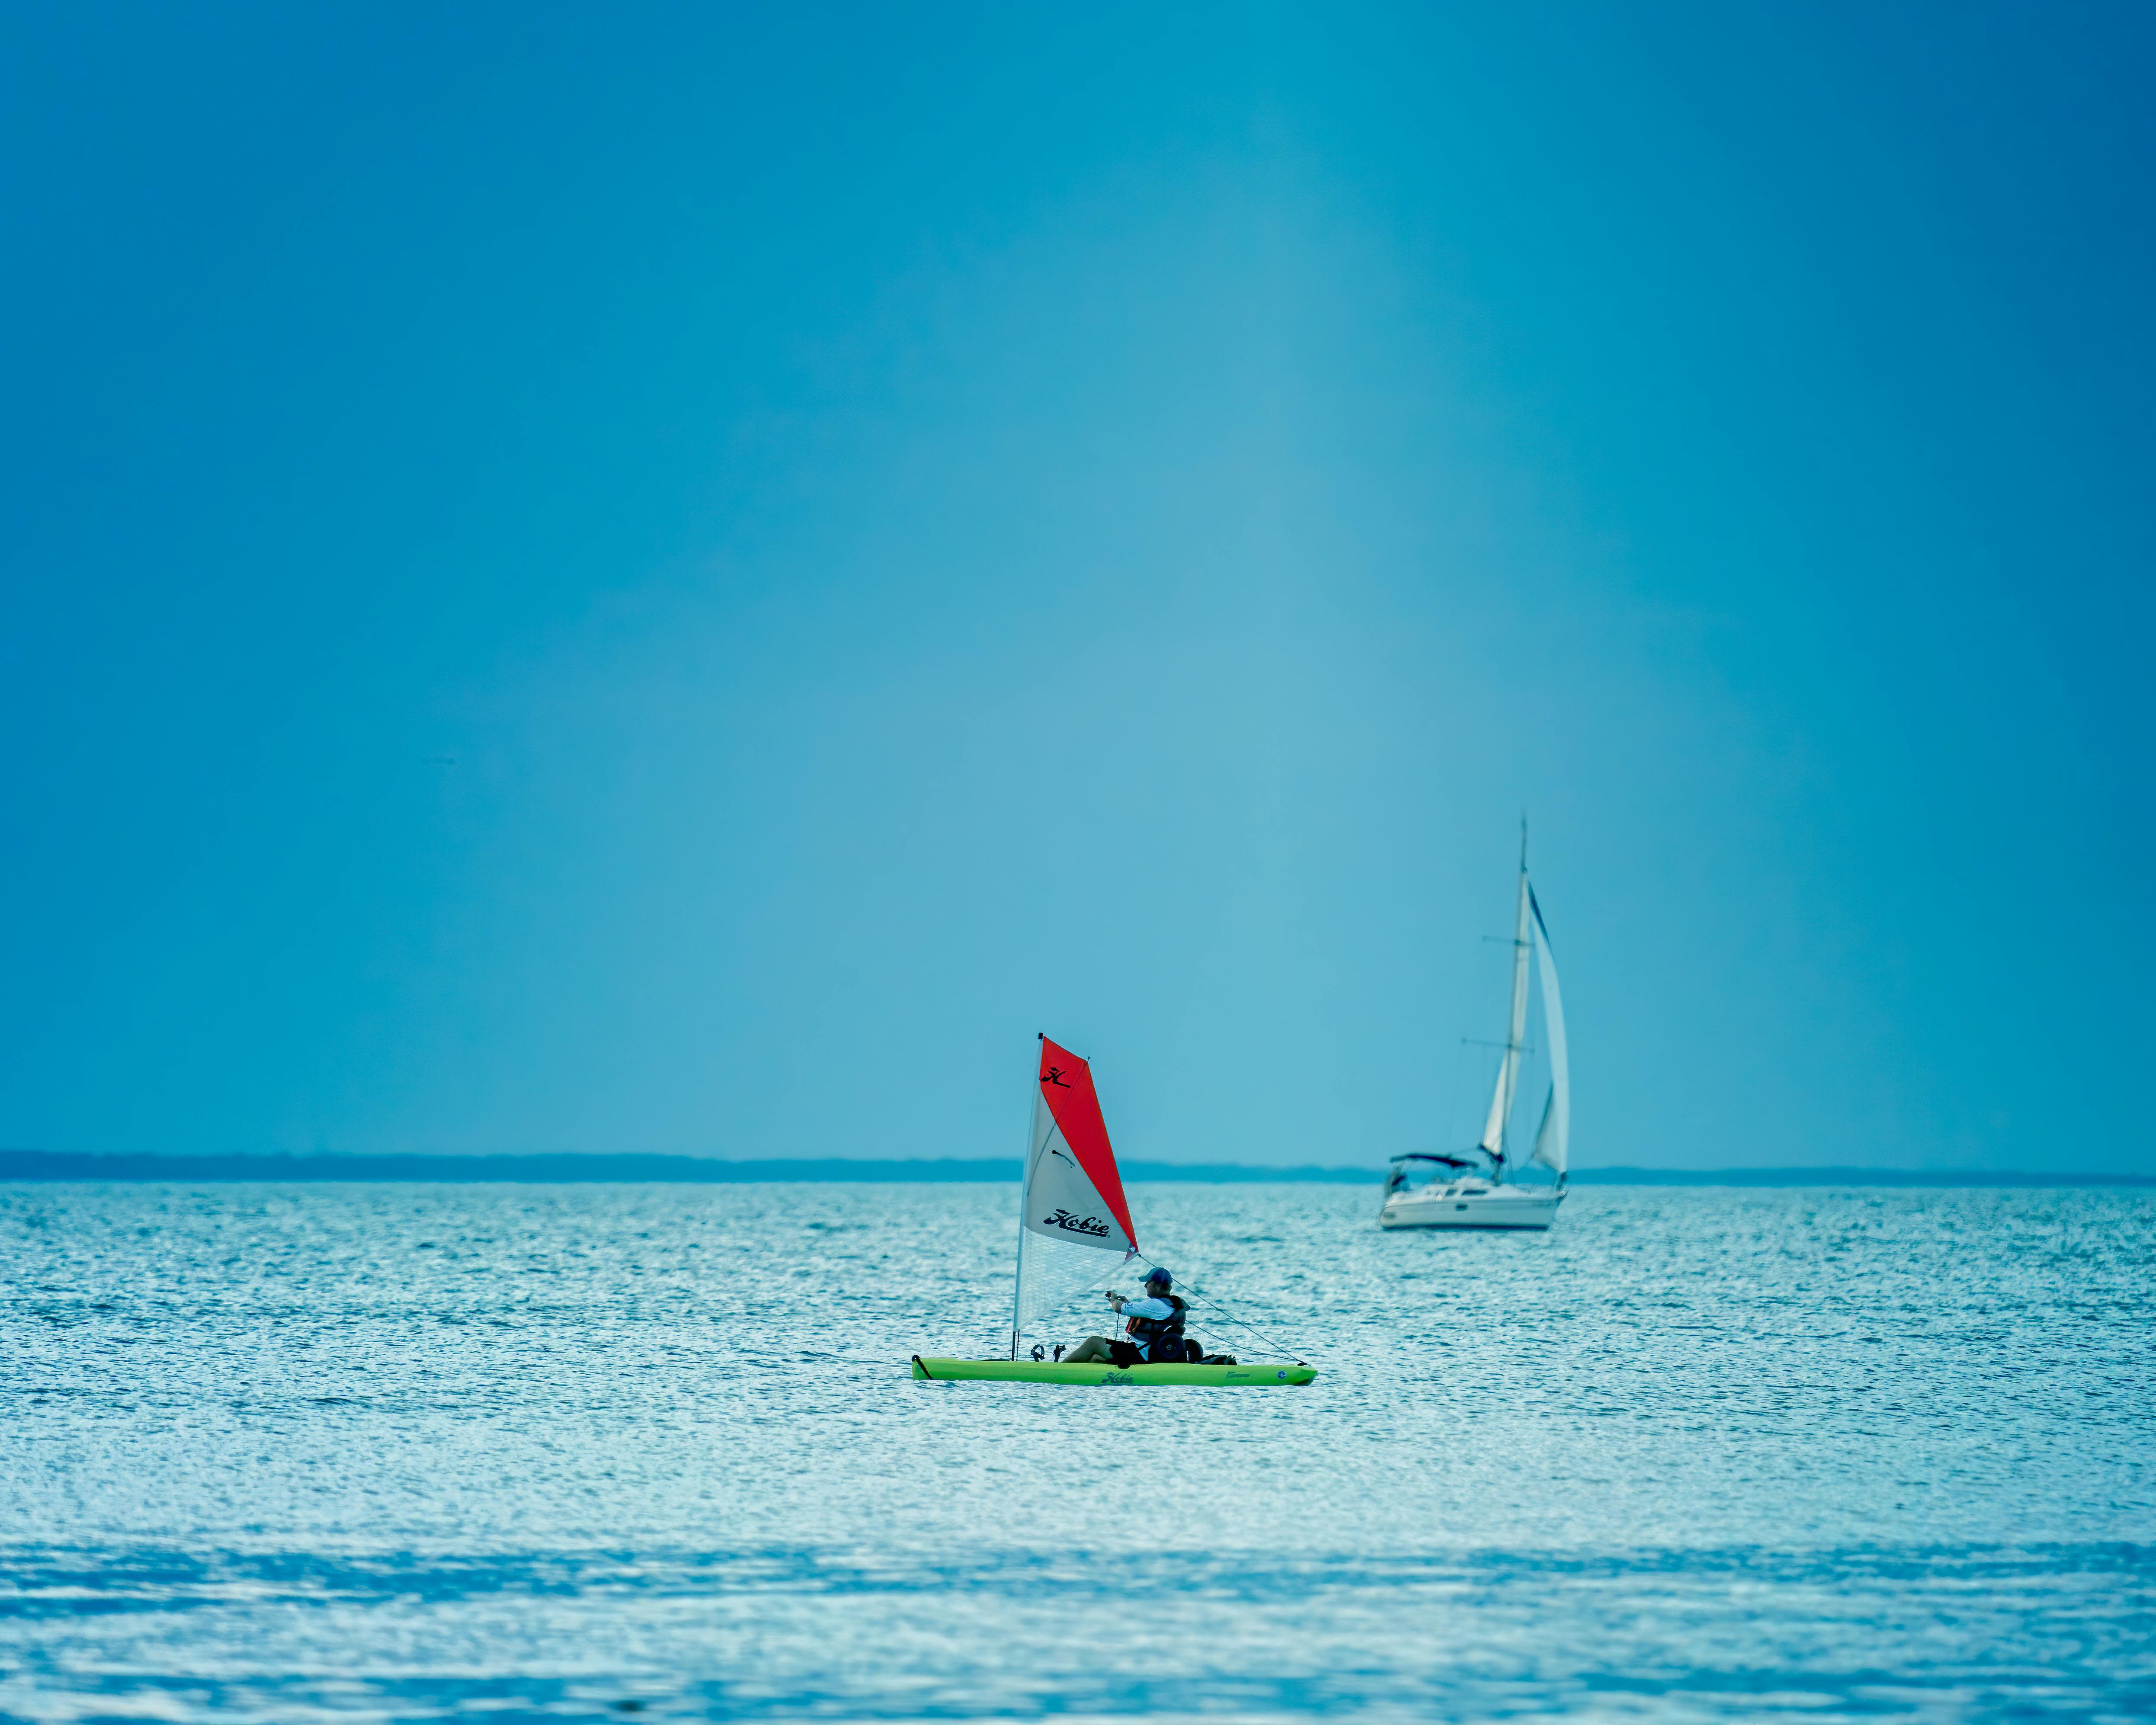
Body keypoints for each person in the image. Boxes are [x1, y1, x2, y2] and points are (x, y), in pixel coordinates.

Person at [1062, 1266, 1191, 1365]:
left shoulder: (1157, 1305)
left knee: (1094, 1342)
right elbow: (1150, 1317)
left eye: (1148, 1282)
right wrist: (1127, 1303)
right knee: (1096, 1359)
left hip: (1140, 1353)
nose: (1146, 1285)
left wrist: (1113, 1299)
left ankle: (1061, 1369)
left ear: (1157, 1285)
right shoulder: (1168, 1304)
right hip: (1145, 1351)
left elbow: (1118, 1308)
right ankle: (1075, 1373)